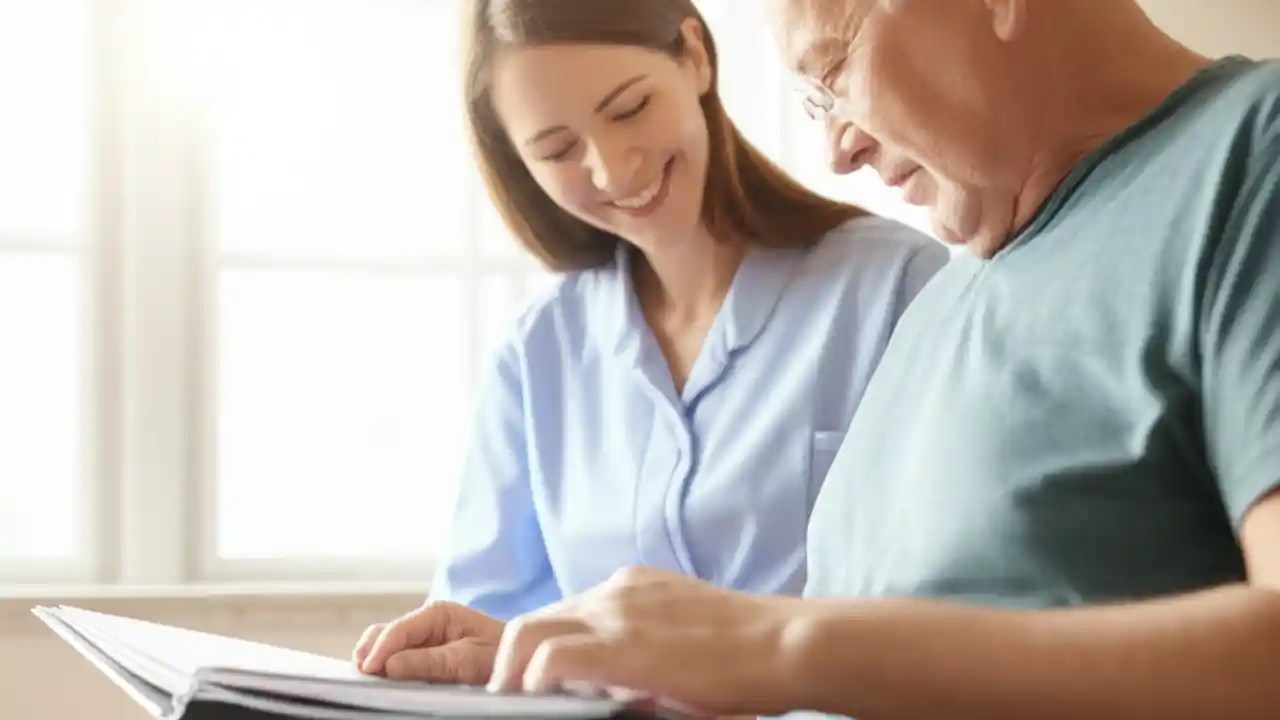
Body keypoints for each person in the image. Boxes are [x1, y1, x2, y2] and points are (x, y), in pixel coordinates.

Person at [468, 1, 1280, 718]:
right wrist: (557, 663)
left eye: (832, 71)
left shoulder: (1250, 158)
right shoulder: (943, 307)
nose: (838, 151)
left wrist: (774, 644)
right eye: (812, 105)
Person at [352, 0, 945, 685]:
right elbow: (486, 632)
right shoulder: (539, 351)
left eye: (629, 109)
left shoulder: (896, 290)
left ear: (693, 55)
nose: (613, 169)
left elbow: (952, 619)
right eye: (558, 149)